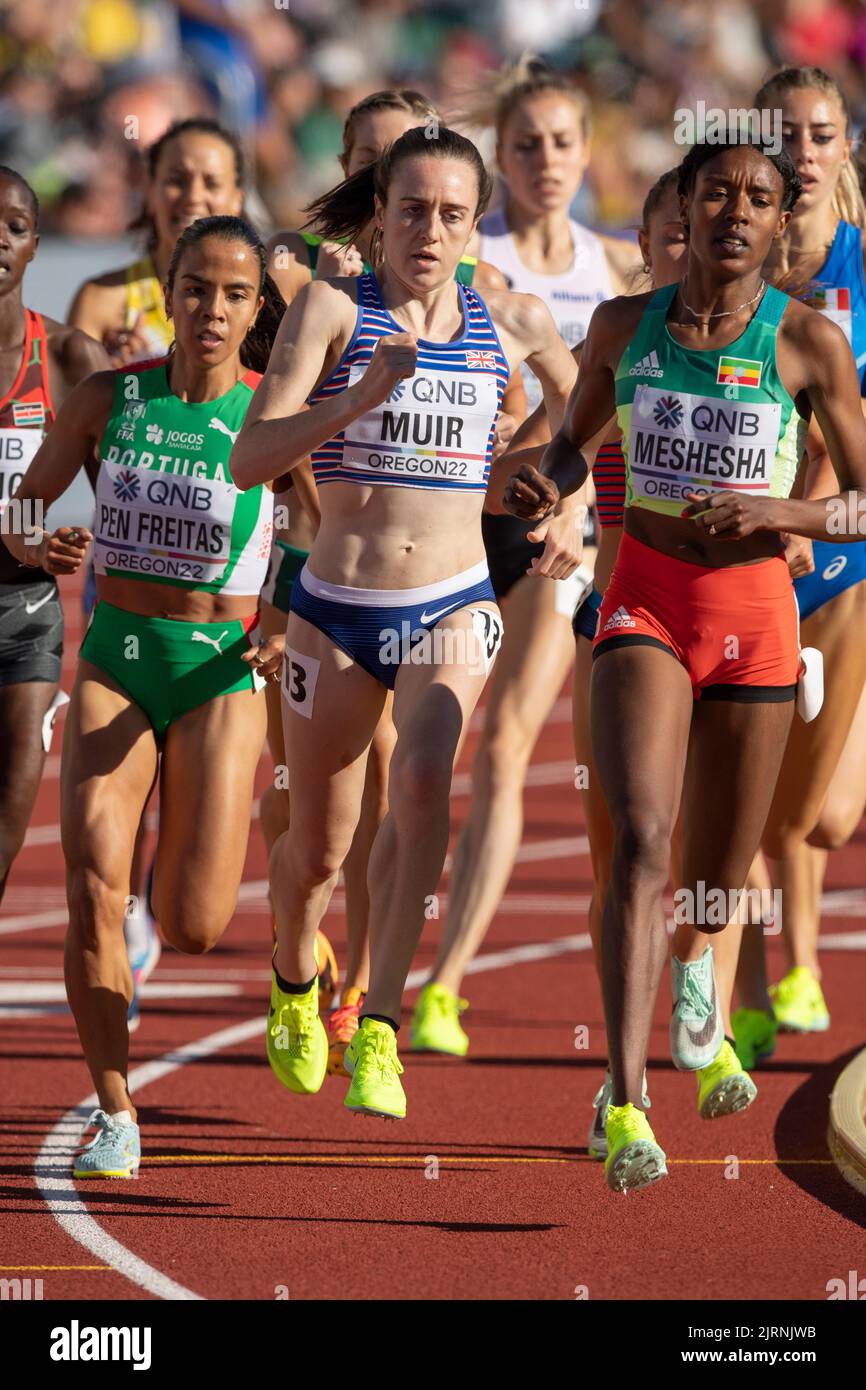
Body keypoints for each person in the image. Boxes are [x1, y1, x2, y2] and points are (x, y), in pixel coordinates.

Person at [503, 134, 866, 1192]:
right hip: (645, 601)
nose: (734, 212)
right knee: (641, 842)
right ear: (685, 210)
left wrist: (780, 513)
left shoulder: (807, 343)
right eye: (715, 194)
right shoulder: (624, 328)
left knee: (715, 880)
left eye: (757, 198)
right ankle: (625, 1100)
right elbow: (571, 446)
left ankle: (697, 968)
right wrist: (545, 481)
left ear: (780, 222)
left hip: (755, 617)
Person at [231, 124, 578, 1121]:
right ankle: (295, 974)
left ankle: (379, 1021)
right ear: (378, 213)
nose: (429, 231)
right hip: (337, 607)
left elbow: (588, 403)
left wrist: (557, 490)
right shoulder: (334, 311)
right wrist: (362, 396)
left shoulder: (509, 316)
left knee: (425, 778)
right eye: (412, 209)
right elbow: (249, 459)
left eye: (451, 214)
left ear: (476, 226)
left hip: (453, 598)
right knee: (317, 851)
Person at [7, 216, 284, 1177]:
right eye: (196, 288)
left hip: (217, 668)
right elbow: (25, 505)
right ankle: (115, 1112)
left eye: (235, 294)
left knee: (194, 925)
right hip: (117, 658)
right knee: (91, 882)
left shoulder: (269, 413)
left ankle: (300, 957)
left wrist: (285, 621)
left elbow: (321, 533)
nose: (212, 309)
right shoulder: (108, 397)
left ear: (256, 308)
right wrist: (38, 543)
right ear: (168, 293)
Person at [408, 59, 624, 1051]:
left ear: (586, 152)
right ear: (499, 155)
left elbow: (614, 401)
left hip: (562, 529)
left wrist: (576, 501)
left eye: (562, 142)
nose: (545, 159)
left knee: (516, 748)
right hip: (456, 521)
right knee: (426, 747)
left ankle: (445, 982)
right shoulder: (468, 248)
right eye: (526, 143)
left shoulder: (613, 267)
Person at [68, 118, 249, 1012]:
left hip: (225, 616)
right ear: (150, 188)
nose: (192, 195)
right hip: (125, 588)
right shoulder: (105, 300)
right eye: (176, 178)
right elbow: (78, 424)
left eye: (212, 182)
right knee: (109, 811)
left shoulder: (257, 295)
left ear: (238, 195)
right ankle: (119, 914)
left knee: (201, 888)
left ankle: (177, 895)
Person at [732, 66, 866, 1063]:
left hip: (844, 554)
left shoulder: (861, 266)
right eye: (784, 136)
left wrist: (817, 502)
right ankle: (753, 991)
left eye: (819, 136)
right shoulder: (731, 256)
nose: (803, 154)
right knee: (750, 798)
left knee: (823, 819)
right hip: (747, 558)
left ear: (843, 146)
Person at [0, 166, 108, 906]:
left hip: (25, 613)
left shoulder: (71, 359)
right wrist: (29, 537)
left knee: (7, 823)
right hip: (27, 558)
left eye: (14, 226)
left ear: (36, 244)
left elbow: (120, 496)